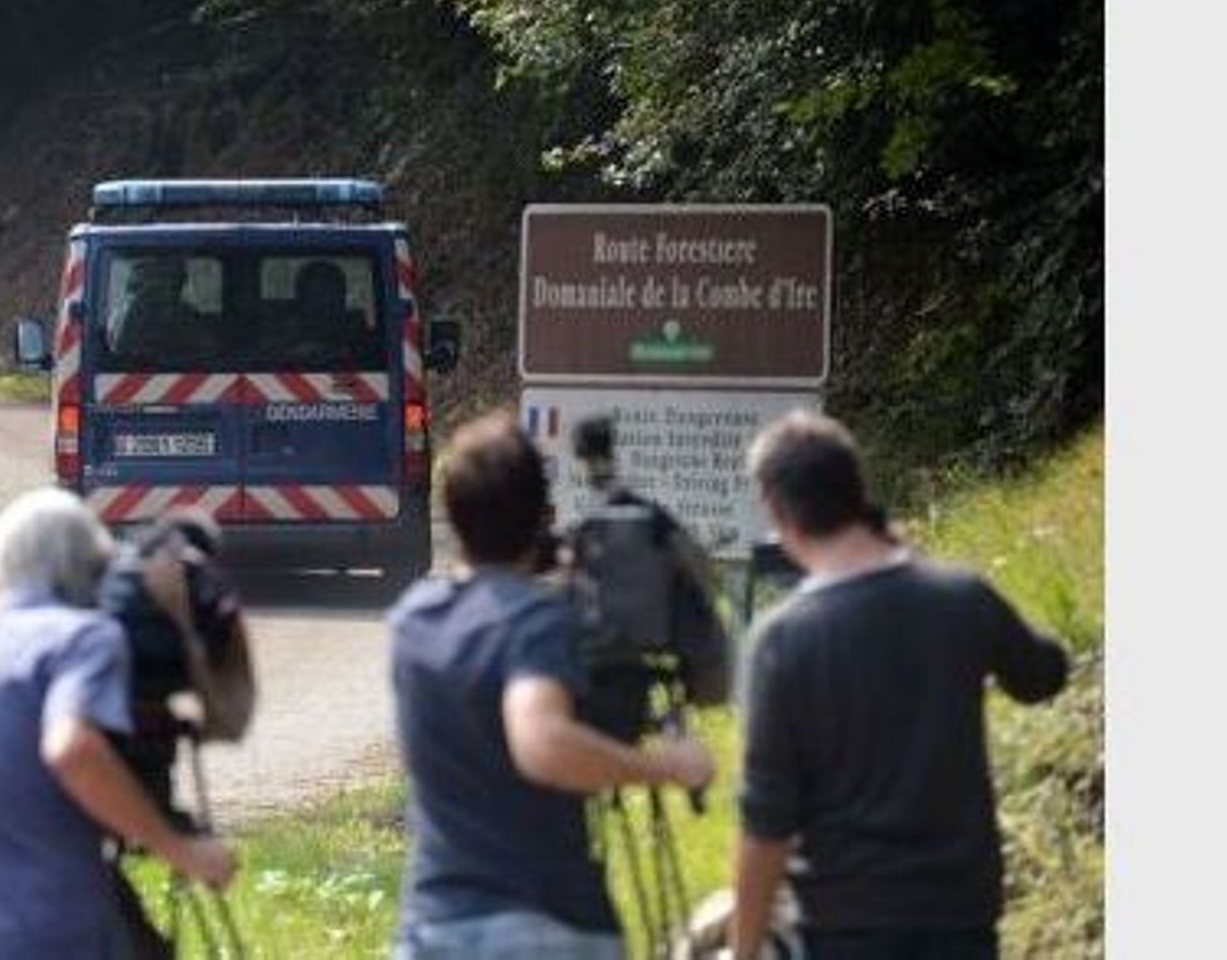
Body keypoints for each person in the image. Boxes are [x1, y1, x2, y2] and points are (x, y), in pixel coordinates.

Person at [730, 411, 1069, 960]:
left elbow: (767, 821)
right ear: (859, 491)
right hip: (961, 922)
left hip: (842, 928)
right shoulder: (962, 599)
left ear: (775, 510)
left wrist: (743, 949)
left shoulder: (782, 641)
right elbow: (1042, 676)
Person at [388, 411, 715, 959]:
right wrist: (668, 766)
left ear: (452, 514)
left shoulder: (412, 620)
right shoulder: (536, 622)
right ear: (542, 516)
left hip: (434, 924)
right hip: (542, 922)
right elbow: (542, 743)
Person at [0, 488, 237, 959]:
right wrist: (181, 849)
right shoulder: (82, 639)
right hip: (58, 938)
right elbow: (72, 749)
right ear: (90, 568)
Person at [567, 414, 731, 712]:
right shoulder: (655, 519)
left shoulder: (587, 528)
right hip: (661, 646)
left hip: (595, 650)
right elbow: (701, 574)